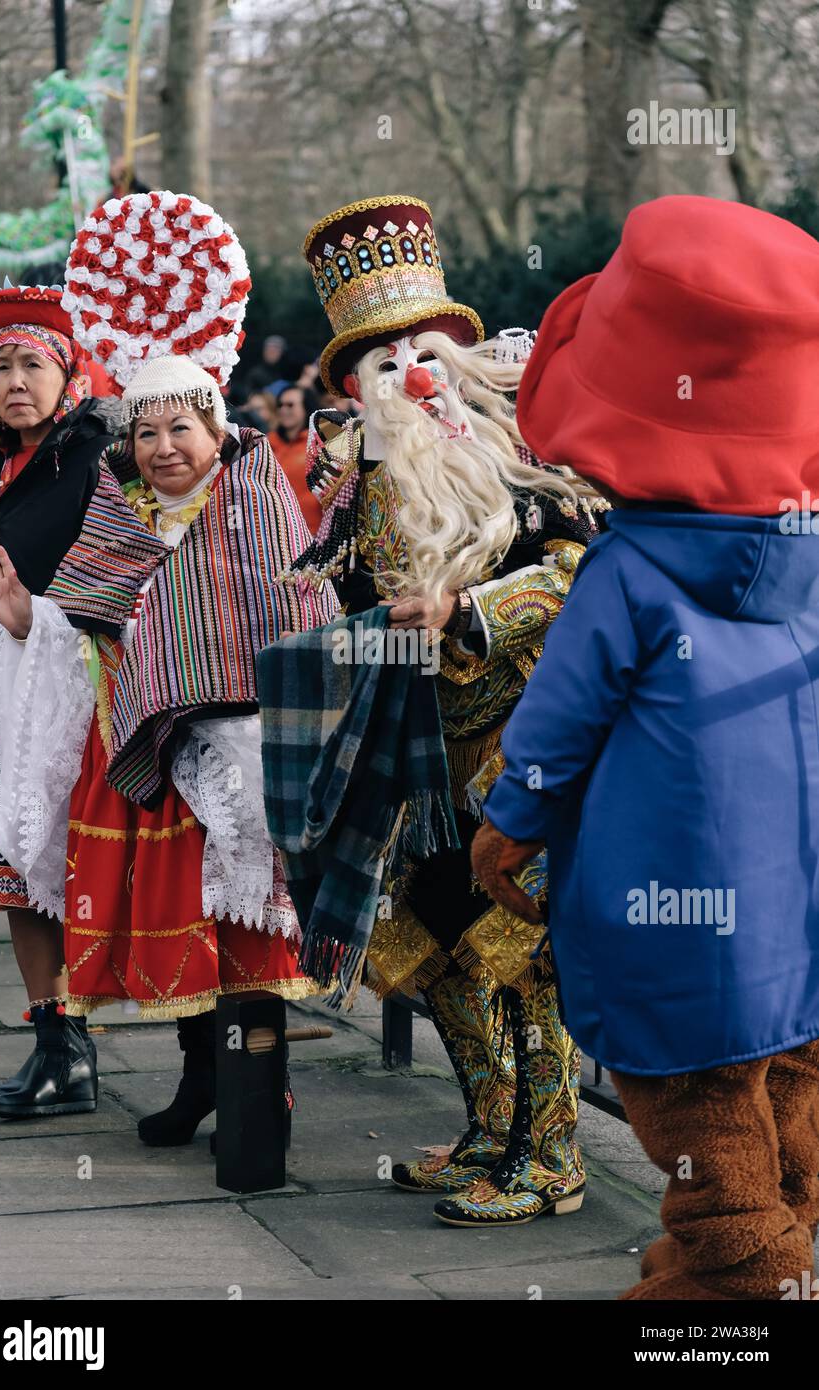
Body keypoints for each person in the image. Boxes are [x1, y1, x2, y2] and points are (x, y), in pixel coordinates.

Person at [472, 195, 819, 1296]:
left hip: (666, 916)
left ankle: (736, 1275)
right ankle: (775, 1231)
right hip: (797, 914)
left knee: (693, 1105)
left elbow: (556, 727)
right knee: (788, 1085)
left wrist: (504, 829)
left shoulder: (626, 569)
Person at [0, 191, 336, 1146]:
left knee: (244, 927)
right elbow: (91, 617)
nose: (166, 449)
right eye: (151, 434)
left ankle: (258, 1110)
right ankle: (199, 1077)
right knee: (180, 921)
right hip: (141, 749)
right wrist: (30, 620)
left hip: (237, 755)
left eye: (184, 431)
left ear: (216, 431)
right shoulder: (119, 512)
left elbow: (289, 613)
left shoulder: (251, 503)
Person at [277, 195, 607, 1225]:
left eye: (423, 351)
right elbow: (340, 594)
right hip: (413, 755)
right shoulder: (357, 484)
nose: (411, 375)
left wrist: (468, 609)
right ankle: (487, 1129)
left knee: (522, 954)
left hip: (522, 747)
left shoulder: (522, 460)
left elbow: (581, 580)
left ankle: (550, 1154)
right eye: (381, 365)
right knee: (440, 954)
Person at [0, 281, 115, 1119]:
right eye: (2, 366)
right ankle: (62, 1052)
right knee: (17, 871)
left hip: (78, 687)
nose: (15, 381)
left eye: (33, 365)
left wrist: (40, 623)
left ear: (68, 375)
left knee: (80, 864)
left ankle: (208, 1051)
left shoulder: (99, 454)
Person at [267, 384, 322, 533]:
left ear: (305, 407)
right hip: (277, 535)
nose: (284, 410)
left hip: (313, 533)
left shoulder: (319, 444)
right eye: (280, 405)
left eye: (290, 405)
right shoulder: (267, 444)